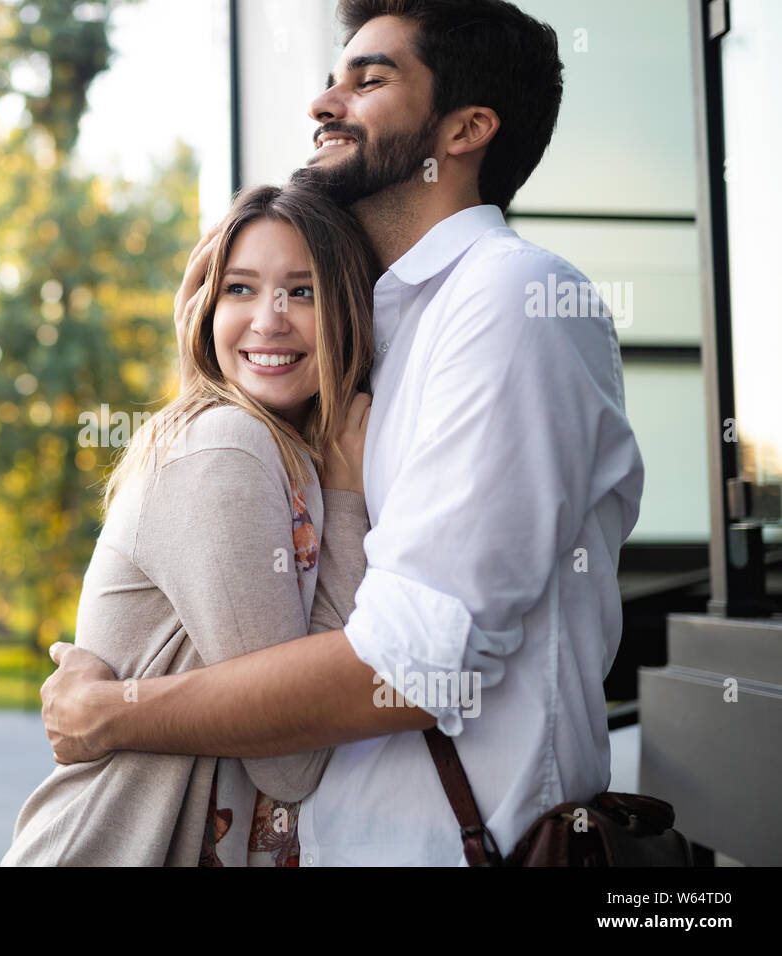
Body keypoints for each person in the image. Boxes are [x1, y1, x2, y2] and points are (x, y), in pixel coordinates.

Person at [41, 0, 645, 866]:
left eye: (371, 79)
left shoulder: (511, 302)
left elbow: (413, 661)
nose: (326, 103)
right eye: (334, 77)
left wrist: (115, 712)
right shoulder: (379, 339)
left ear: (467, 128)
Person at [1, 183, 379, 865]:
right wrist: (348, 502)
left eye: (303, 291)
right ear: (205, 309)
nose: (269, 319)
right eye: (239, 289)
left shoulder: (281, 450)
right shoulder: (226, 446)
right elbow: (291, 757)